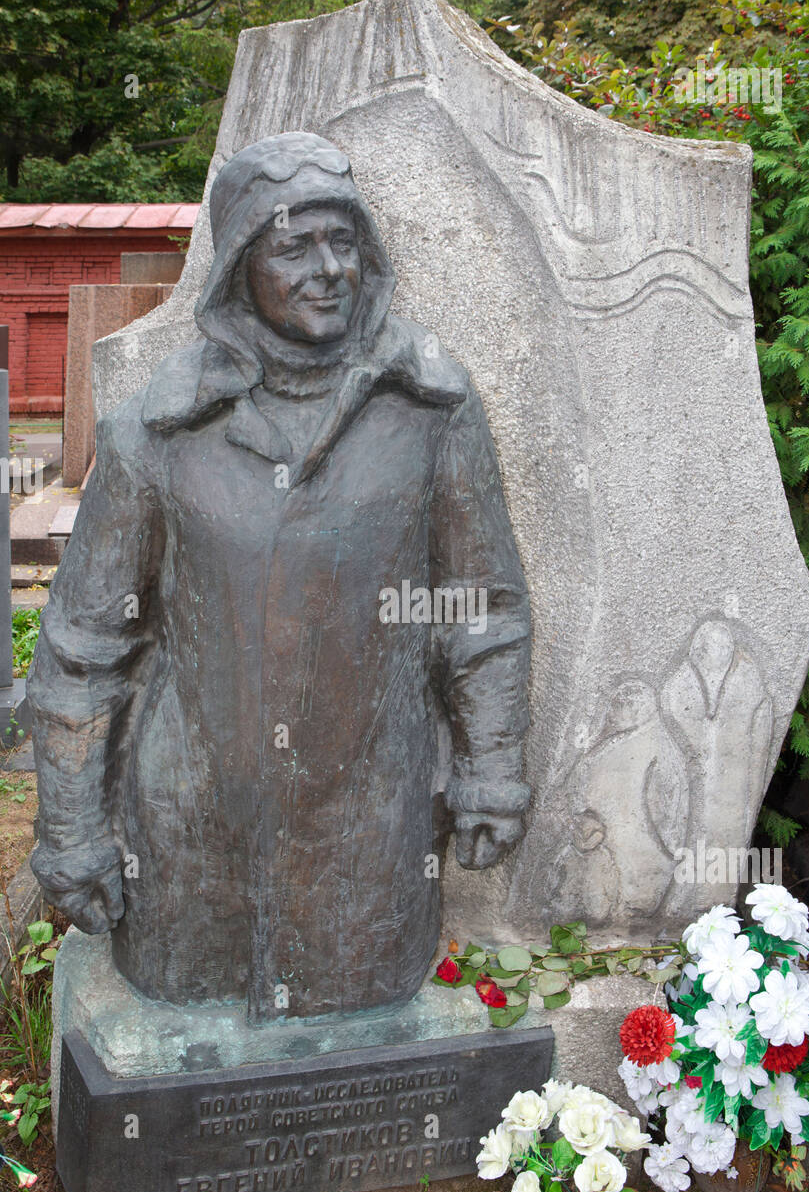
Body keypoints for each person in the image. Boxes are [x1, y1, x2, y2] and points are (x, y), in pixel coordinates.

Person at [28, 132, 531, 1022]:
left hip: (371, 825)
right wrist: (71, 828)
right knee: (181, 1032)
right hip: (187, 833)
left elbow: (482, 611)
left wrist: (492, 766)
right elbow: (82, 646)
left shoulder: (431, 406)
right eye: (294, 246)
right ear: (240, 267)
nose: (328, 268)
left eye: (344, 242)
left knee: (363, 1015)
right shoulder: (162, 427)